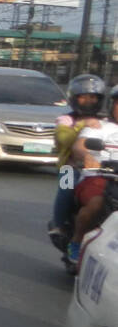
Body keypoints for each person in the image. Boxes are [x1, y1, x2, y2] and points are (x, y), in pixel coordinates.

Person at [68, 85, 118, 267]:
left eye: (92, 97)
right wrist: (87, 156)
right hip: (96, 176)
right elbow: (79, 146)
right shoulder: (98, 126)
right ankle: (75, 240)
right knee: (95, 202)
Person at [50, 74, 106, 237]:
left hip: (98, 168)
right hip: (70, 167)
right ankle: (58, 224)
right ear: (74, 98)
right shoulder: (66, 120)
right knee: (66, 189)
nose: (88, 101)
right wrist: (83, 125)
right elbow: (64, 138)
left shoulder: (105, 121)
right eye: (82, 97)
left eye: (93, 97)